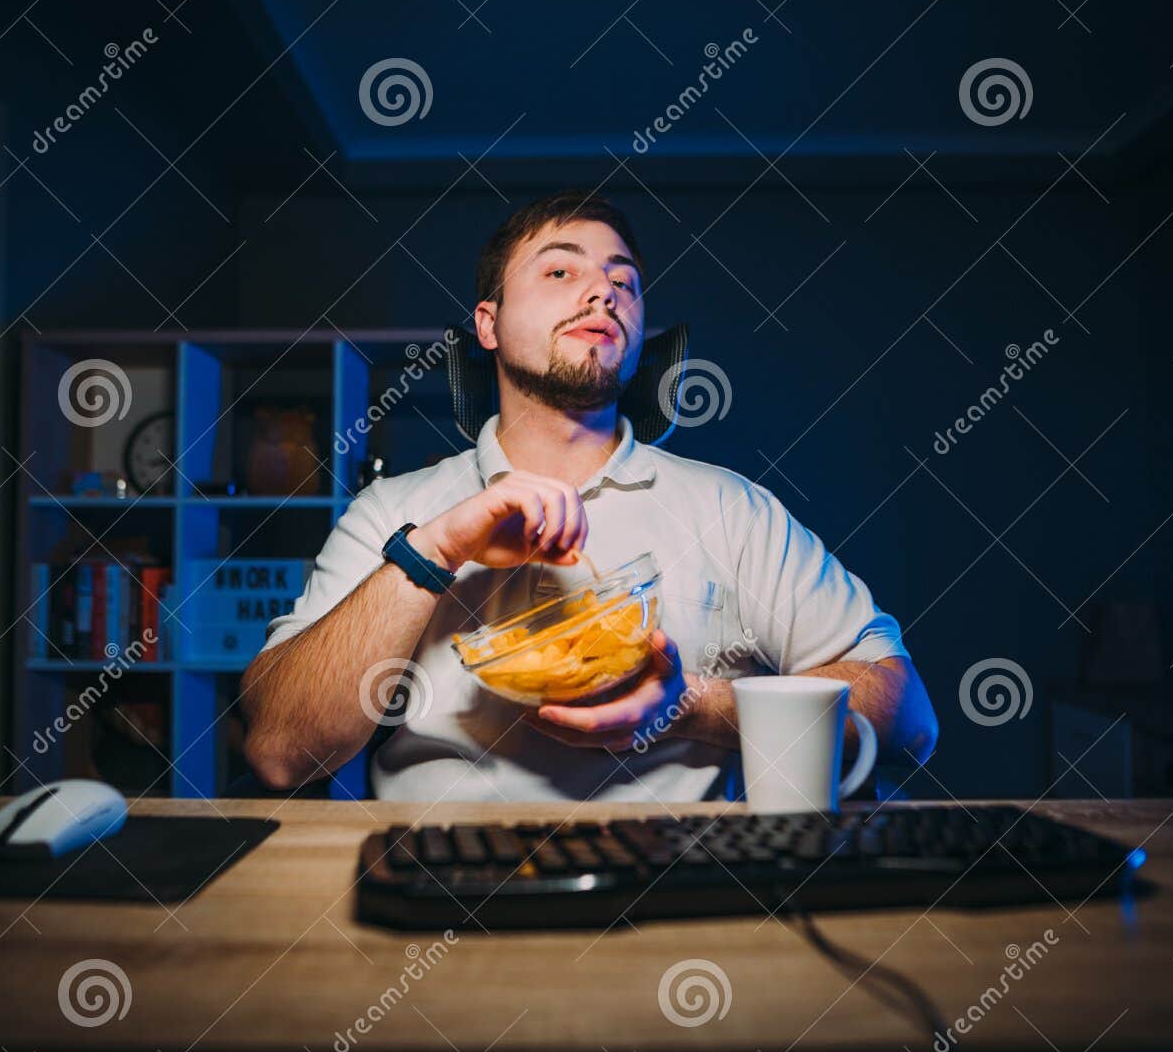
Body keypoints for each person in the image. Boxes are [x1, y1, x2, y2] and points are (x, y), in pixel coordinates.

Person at [239, 189, 937, 800]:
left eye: (623, 281)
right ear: (487, 323)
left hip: (680, 893)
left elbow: (909, 721)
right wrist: (435, 549)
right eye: (560, 271)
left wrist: (691, 706)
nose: (604, 292)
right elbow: (278, 751)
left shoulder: (733, 511)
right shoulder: (392, 512)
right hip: (439, 886)